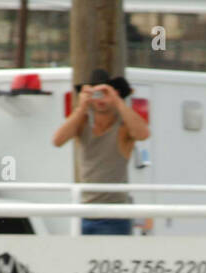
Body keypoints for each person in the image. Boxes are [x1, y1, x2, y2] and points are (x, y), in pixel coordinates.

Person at [52, 69, 150, 236]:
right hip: (84, 212)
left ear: (116, 93)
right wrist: (81, 106)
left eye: (105, 93)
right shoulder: (82, 123)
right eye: (96, 94)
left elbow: (143, 134)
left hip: (115, 215)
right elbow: (57, 140)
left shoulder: (123, 127)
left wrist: (117, 101)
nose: (101, 99)